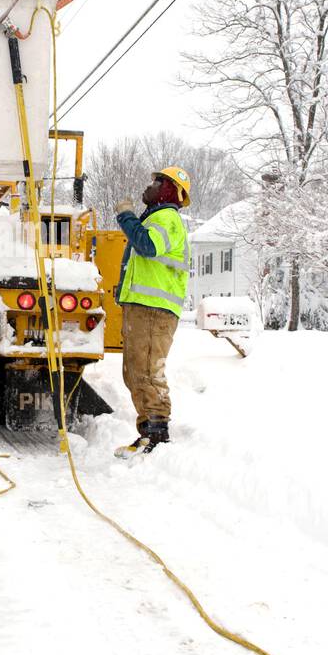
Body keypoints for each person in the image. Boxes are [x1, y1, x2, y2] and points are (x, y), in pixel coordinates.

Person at [114, 167, 191, 455]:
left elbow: (147, 246)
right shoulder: (156, 218)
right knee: (135, 372)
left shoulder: (167, 218)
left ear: (171, 190)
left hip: (154, 310)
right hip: (143, 308)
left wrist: (126, 216)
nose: (150, 186)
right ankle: (148, 432)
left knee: (146, 370)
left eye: (157, 182)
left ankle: (158, 434)